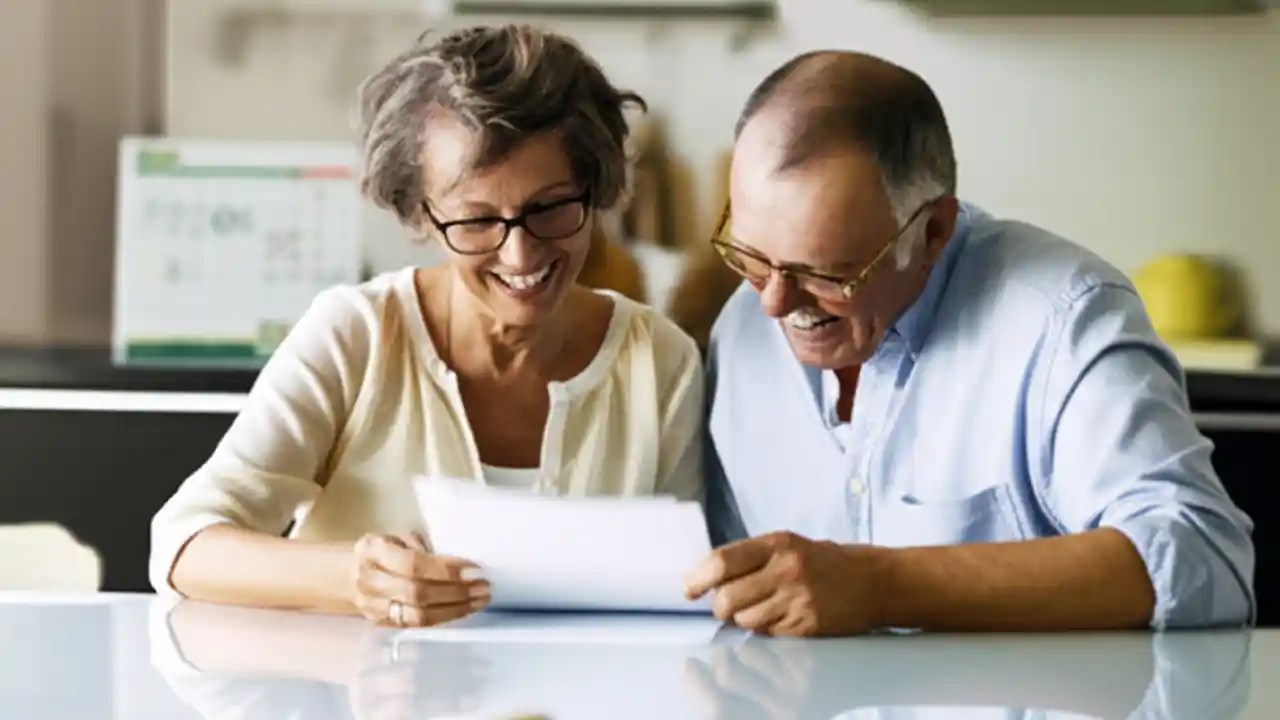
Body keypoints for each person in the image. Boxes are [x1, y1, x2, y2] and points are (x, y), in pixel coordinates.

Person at [682, 50, 1254, 636]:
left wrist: (881, 585)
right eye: (750, 257)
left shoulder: (1062, 318)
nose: (775, 304)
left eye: (830, 274)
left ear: (932, 231)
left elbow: (1201, 557)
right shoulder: (742, 328)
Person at [149, 25, 704, 628]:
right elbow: (183, 544)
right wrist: (352, 578)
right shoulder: (356, 336)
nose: (519, 256)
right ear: (421, 213)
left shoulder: (659, 361)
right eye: (475, 220)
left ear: (594, 188)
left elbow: (684, 591)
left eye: (550, 208)